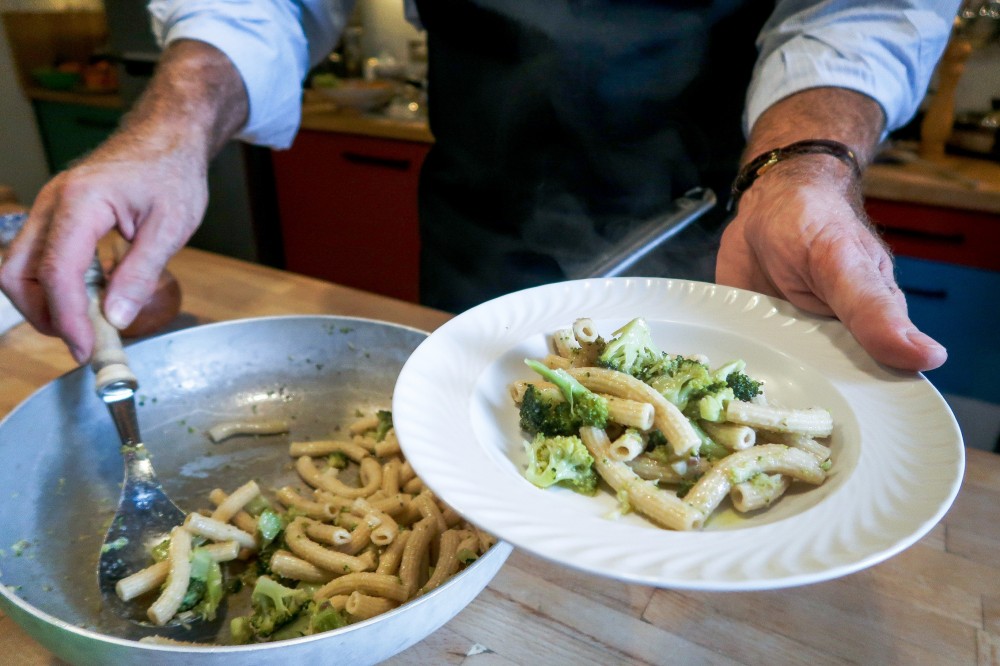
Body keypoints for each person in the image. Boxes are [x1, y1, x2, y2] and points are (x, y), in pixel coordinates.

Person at [0, 0, 955, 374]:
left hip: (722, 227)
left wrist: (800, 164)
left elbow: (862, 6)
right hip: (480, 219)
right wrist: (169, 128)